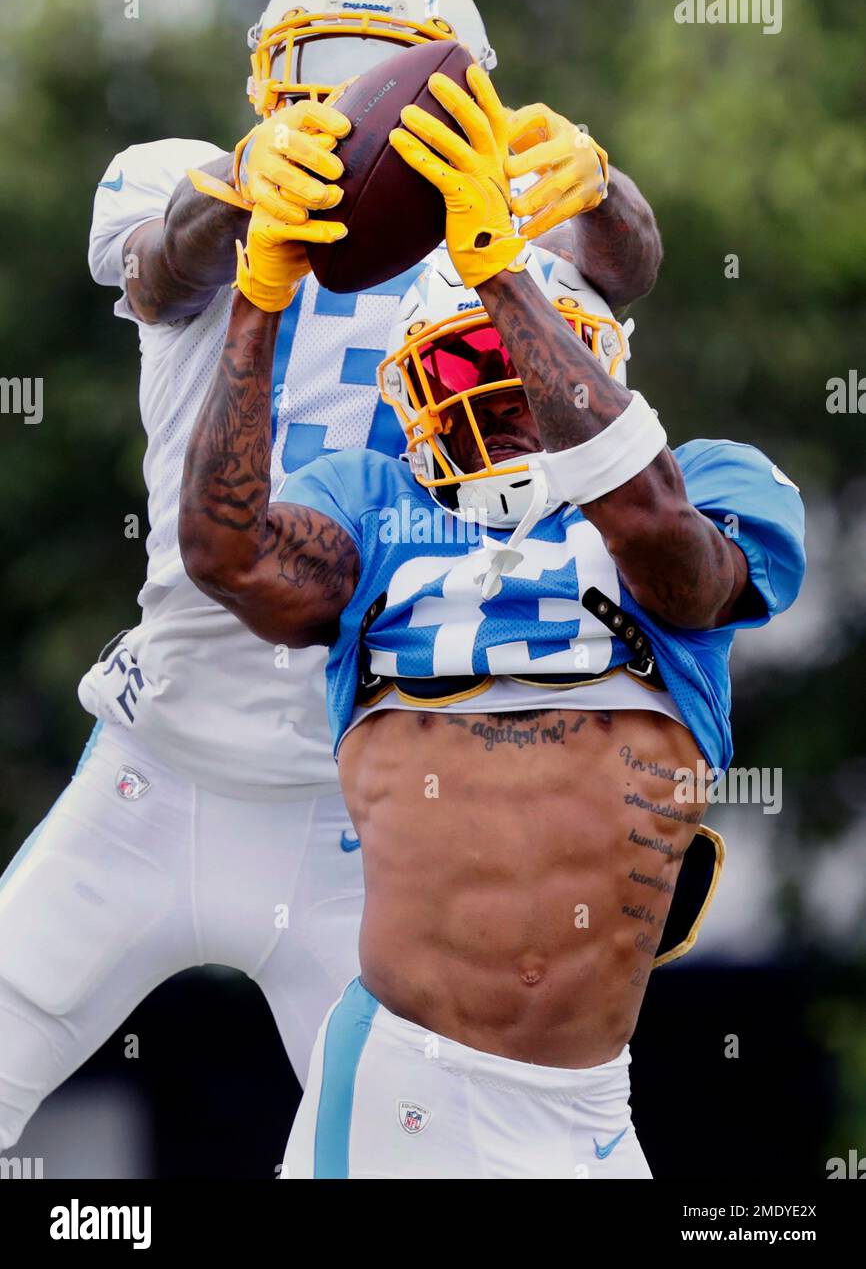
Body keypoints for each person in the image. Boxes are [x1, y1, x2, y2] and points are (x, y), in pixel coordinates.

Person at [0, 0, 662, 1157]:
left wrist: (599, 184)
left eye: (377, 81)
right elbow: (159, 266)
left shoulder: (489, 226)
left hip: (367, 807)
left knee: (431, 1156)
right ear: (265, 90)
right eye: (321, 77)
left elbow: (623, 267)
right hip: (156, 766)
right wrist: (243, 188)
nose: (346, 107)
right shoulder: (183, 179)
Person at [177, 64, 806, 1178]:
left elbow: (668, 549)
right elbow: (222, 553)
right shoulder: (371, 506)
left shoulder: (708, 484)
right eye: (469, 362)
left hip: (587, 1109)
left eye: (521, 364)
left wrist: (499, 275)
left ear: (590, 361)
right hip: (401, 1087)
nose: (502, 399)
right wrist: (257, 298)